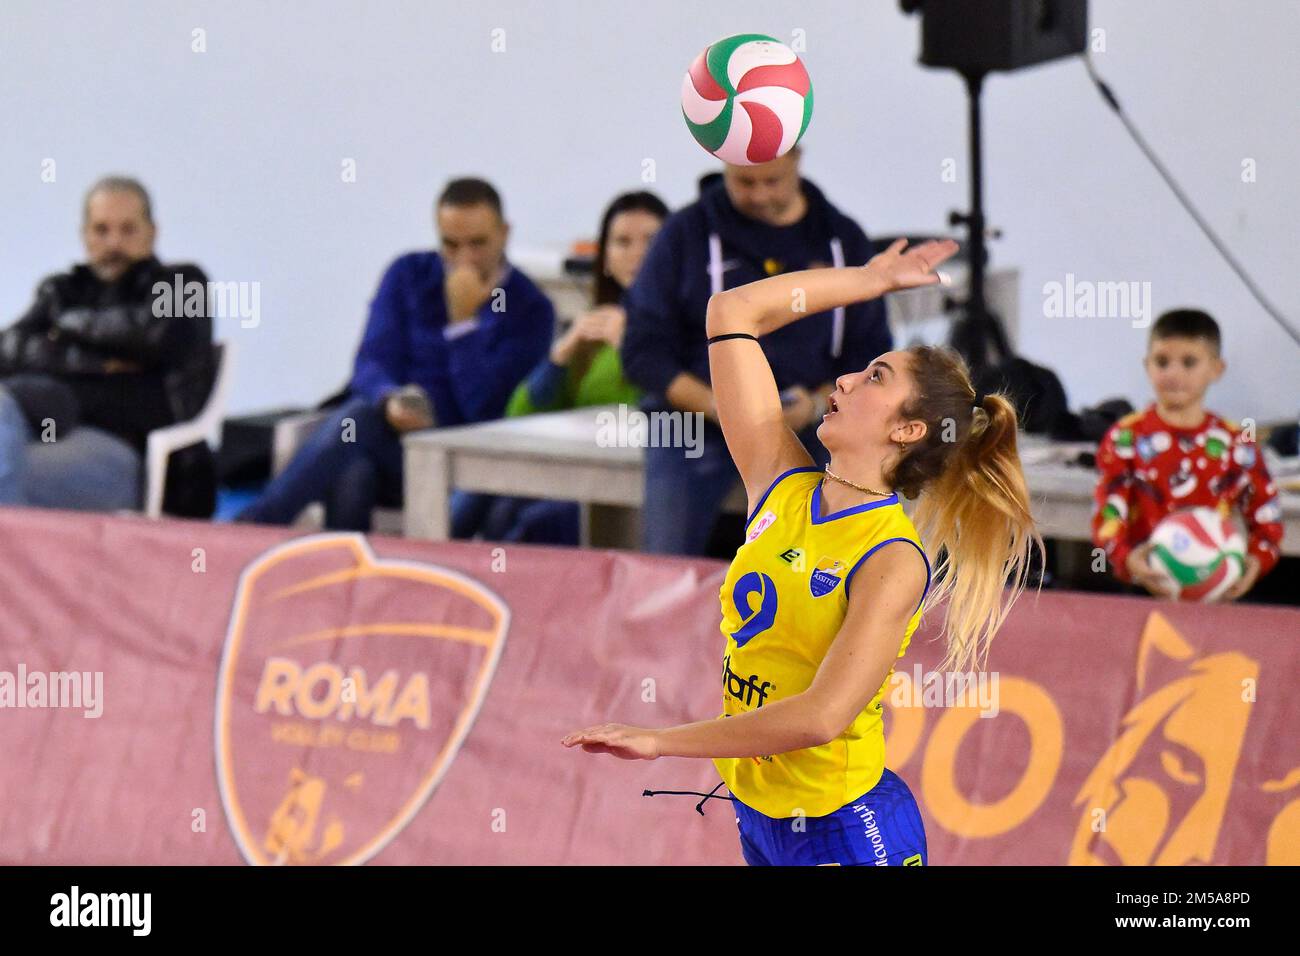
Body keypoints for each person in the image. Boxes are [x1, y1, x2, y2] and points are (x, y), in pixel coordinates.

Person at [563, 239, 1043, 866]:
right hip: (760, 810)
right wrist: (868, 281)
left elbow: (820, 716)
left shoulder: (891, 557)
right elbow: (732, 314)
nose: (843, 379)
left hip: (843, 826)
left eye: (875, 377)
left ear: (908, 429)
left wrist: (660, 741)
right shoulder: (781, 484)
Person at [237, 178, 555, 531]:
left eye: (478, 244)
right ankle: (346, 579)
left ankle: (253, 529)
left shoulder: (531, 309)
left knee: (355, 436)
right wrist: (390, 398)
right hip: (393, 443)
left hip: (462, 464)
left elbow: (489, 411)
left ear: (504, 233)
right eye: (450, 245)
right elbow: (371, 361)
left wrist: (463, 326)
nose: (464, 259)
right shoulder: (409, 273)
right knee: (356, 451)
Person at [621, 147, 893, 555]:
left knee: (836, 545)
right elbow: (643, 351)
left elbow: (870, 351)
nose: (761, 195)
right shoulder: (684, 234)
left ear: (798, 160)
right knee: (665, 553)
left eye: (772, 182)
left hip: (812, 420)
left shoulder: (843, 241)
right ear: (723, 166)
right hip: (699, 421)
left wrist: (820, 402)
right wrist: (720, 406)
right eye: (745, 183)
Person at [456, 191, 669, 544]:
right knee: (486, 500)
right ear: (605, 258)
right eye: (622, 242)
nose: (636, 254)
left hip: (638, 478)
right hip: (570, 468)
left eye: (651, 240)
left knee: (533, 523)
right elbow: (519, 414)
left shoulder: (689, 323)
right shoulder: (597, 326)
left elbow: (672, 411)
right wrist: (560, 356)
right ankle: (431, 575)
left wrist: (631, 350)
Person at [0, 176, 215, 515]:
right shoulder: (60, 290)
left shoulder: (182, 281)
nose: (114, 242)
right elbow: (8, 348)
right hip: (32, 427)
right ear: (84, 234)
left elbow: (159, 338)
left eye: (128, 229)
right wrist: (95, 362)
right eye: (101, 230)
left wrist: (66, 325)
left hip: (123, 448)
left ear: (152, 232)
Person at [1092, 309, 1282, 598]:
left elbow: (1267, 514)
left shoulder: (1236, 442)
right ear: (1147, 365)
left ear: (1217, 369)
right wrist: (1126, 558)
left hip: (1215, 595)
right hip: (1143, 591)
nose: (1173, 373)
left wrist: (1256, 562)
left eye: (1189, 362)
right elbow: (1108, 512)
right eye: (1162, 362)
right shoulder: (1125, 437)